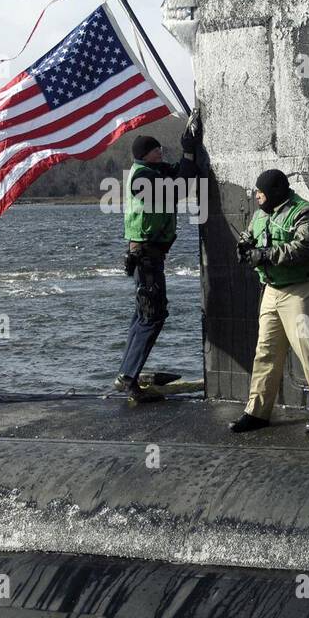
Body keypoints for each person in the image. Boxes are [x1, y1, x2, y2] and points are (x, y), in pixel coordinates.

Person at [229, 169, 309, 434]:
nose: (257, 197)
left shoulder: (306, 213)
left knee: (308, 348)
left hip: (301, 291)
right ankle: (257, 412)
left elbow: (303, 248)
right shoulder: (260, 215)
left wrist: (263, 255)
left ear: (275, 192)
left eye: (261, 192)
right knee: (265, 351)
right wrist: (245, 246)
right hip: (272, 290)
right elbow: (250, 235)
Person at [115, 109, 202, 403]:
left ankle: (126, 374)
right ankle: (129, 379)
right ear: (145, 155)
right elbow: (178, 189)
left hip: (149, 255)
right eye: (157, 150)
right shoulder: (142, 179)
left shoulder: (150, 171)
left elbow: (181, 174)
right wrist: (188, 156)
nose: (161, 153)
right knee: (153, 316)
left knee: (143, 313)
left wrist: (188, 152)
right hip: (147, 256)